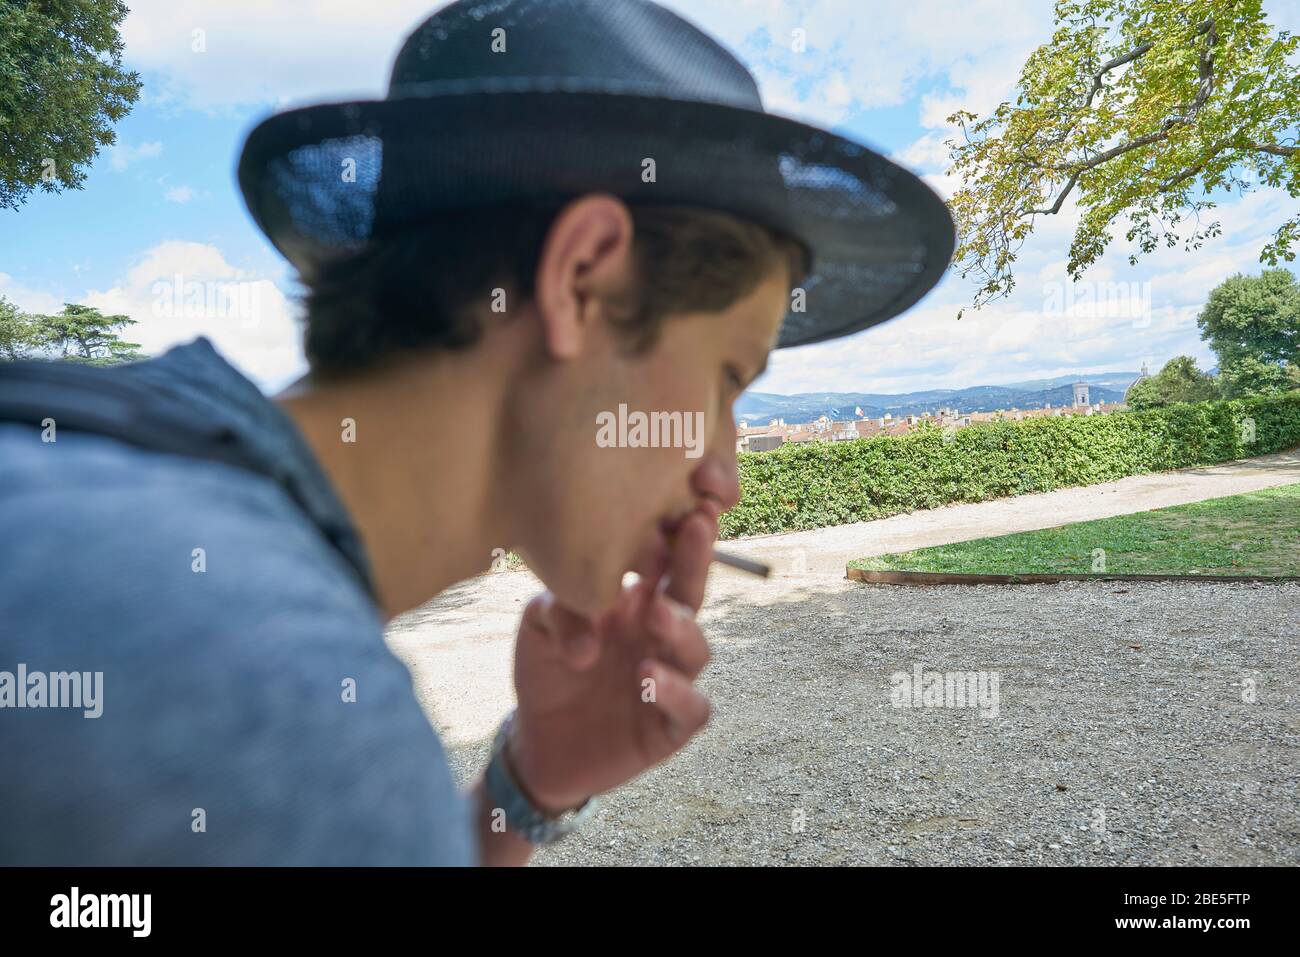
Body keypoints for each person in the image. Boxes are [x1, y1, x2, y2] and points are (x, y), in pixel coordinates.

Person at [0, 0, 953, 865]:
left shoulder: (101, 453)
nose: (724, 475)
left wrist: (528, 787)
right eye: (729, 377)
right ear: (581, 279)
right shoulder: (278, 704)